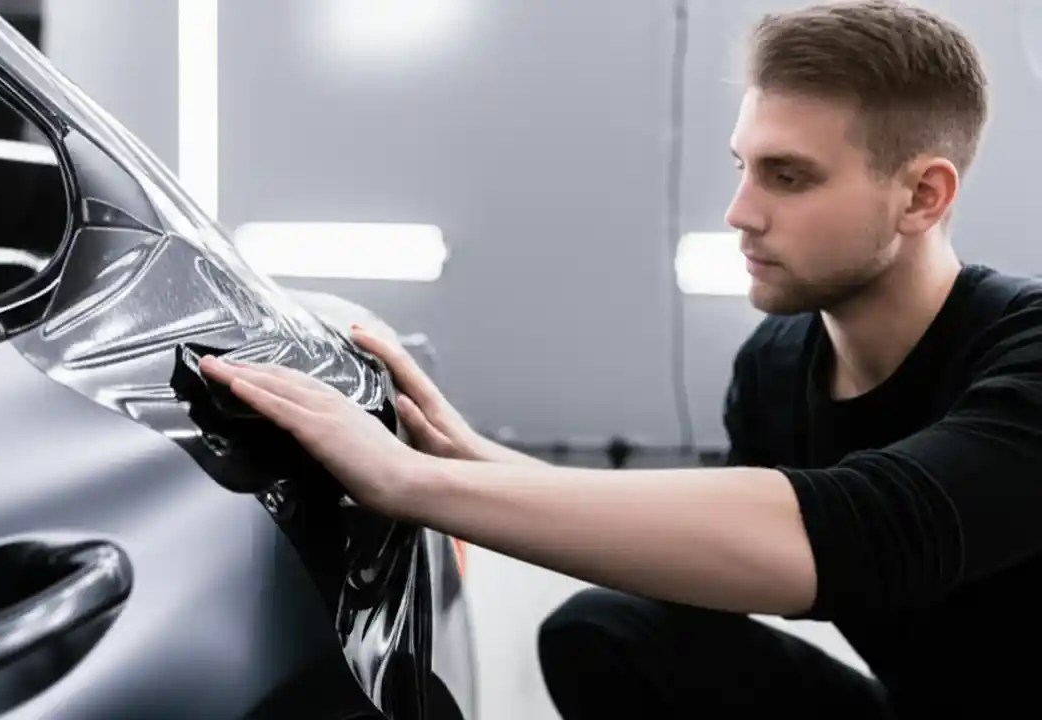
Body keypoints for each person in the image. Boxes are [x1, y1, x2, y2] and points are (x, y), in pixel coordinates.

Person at [200, 1, 1042, 716]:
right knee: (609, 632)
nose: (740, 211)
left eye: (789, 177)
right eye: (743, 167)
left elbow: (867, 541)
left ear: (923, 196)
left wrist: (414, 483)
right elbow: (716, 565)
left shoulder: (1026, 348)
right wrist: (479, 457)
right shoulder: (776, 367)